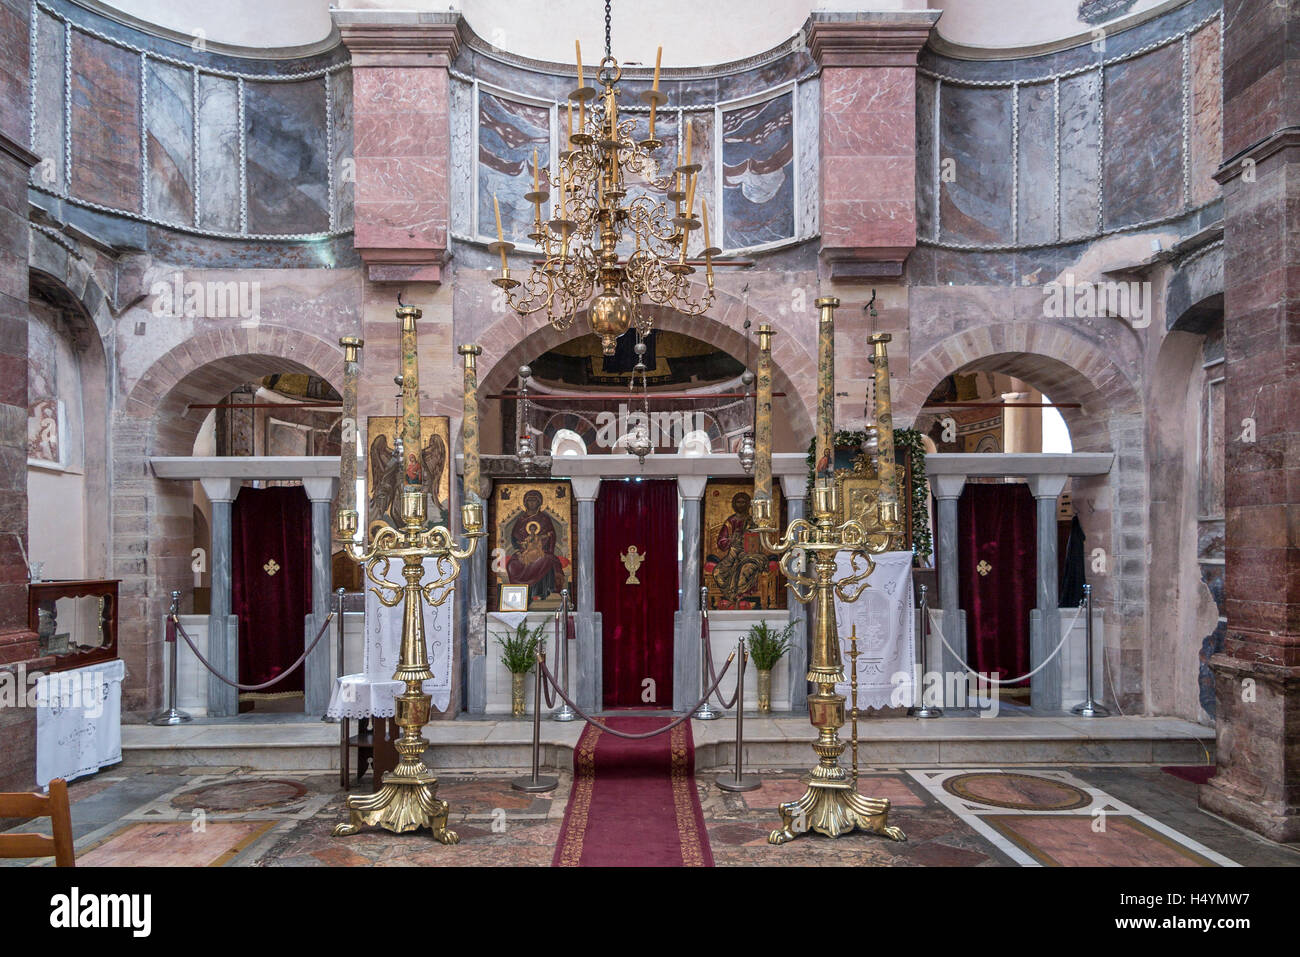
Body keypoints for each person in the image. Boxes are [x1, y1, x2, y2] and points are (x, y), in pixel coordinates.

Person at [505, 490, 567, 604]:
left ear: (539, 502)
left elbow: (551, 534)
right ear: (525, 502)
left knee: (545, 560)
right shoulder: (521, 520)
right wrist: (518, 550)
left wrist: (547, 540)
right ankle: (520, 595)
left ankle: (541, 592)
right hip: (524, 552)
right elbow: (514, 538)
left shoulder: (544, 519)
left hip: (541, 551)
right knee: (512, 564)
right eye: (529, 500)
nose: (532, 503)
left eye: (534, 500)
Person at [711, 491, 768, 608]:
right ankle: (730, 596)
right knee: (717, 572)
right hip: (732, 555)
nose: (741, 505)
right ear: (734, 504)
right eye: (738, 502)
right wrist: (731, 540)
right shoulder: (730, 522)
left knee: (745, 570)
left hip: (750, 556)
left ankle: (739, 598)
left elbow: (761, 541)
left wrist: (749, 539)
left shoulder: (753, 521)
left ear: (748, 504)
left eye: (743, 502)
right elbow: (721, 541)